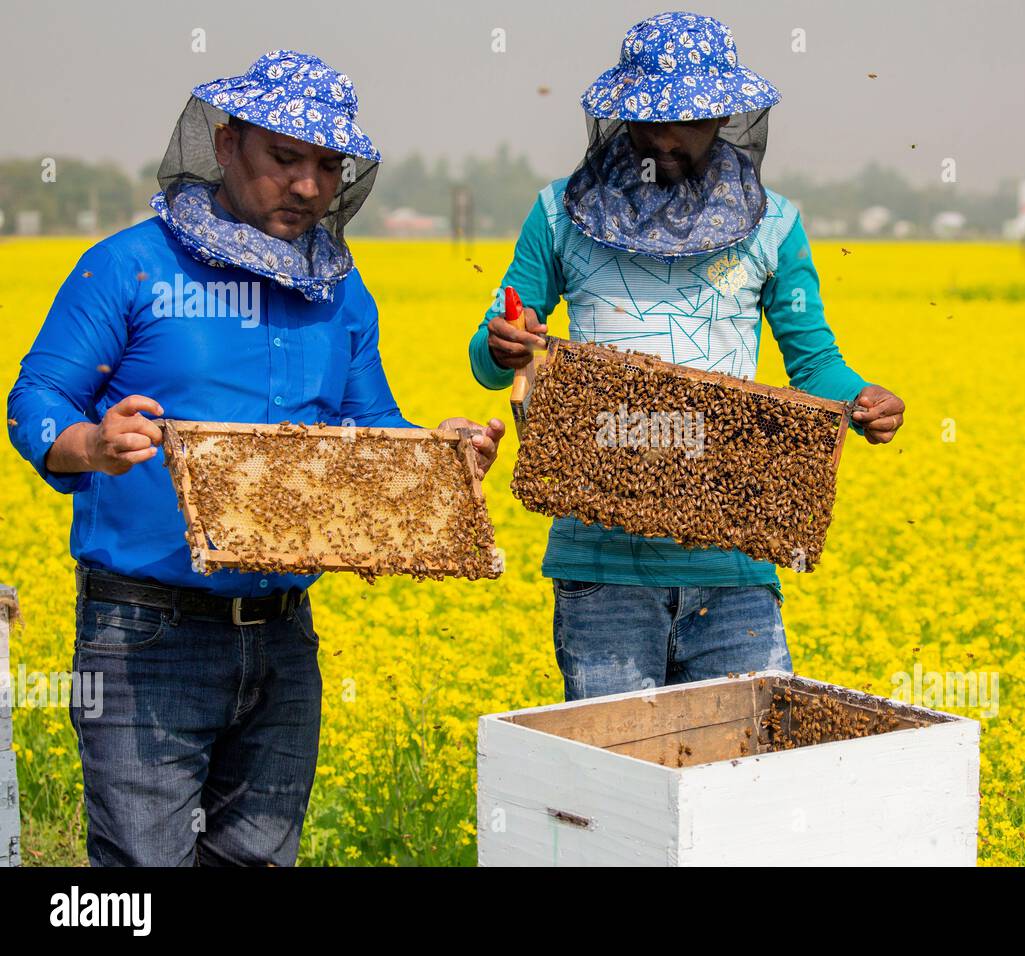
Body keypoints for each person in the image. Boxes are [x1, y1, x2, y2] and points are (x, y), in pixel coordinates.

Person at [6, 50, 505, 866]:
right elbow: (35, 402)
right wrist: (90, 444)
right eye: (285, 158)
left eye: (326, 165)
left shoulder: (341, 292)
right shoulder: (128, 267)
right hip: (144, 634)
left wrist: (438, 462)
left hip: (282, 642)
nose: (308, 187)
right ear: (229, 142)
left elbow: (371, 432)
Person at [470, 13, 905, 701]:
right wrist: (501, 344)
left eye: (688, 119)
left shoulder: (778, 225)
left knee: (744, 771)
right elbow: (494, 351)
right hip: (600, 567)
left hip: (733, 568)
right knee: (621, 779)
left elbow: (815, 365)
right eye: (650, 119)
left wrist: (861, 400)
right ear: (621, 113)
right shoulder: (557, 214)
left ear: (726, 114)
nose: (665, 137)